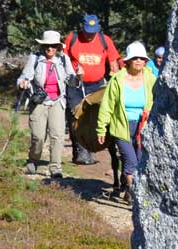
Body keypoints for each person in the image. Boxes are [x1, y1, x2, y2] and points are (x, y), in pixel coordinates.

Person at [96, 41, 157, 204]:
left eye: (142, 58)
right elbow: (107, 105)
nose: (138, 61)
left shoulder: (151, 79)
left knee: (140, 162)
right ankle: (137, 201)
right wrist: (101, 128)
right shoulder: (117, 80)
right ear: (128, 60)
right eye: (135, 58)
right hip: (121, 127)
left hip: (143, 128)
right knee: (131, 162)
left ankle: (129, 191)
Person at [17, 30, 78, 179]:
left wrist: (78, 77)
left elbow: (71, 80)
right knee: (38, 136)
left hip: (57, 101)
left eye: (53, 46)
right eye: (47, 46)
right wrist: (22, 83)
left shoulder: (64, 60)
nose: (50, 49)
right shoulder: (35, 59)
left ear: (58, 47)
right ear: (42, 46)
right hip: (39, 102)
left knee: (57, 135)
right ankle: (33, 159)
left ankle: (55, 167)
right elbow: (24, 77)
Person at [63, 14, 121, 167]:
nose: (90, 35)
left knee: (94, 117)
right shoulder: (72, 38)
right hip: (75, 84)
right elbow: (63, 59)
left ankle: (90, 146)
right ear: (82, 27)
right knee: (77, 115)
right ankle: (80, 151)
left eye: (93, 31)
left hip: (97, 85)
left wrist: (114, 76)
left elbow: (113, 61)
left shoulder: (104, 40)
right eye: (88, 31)